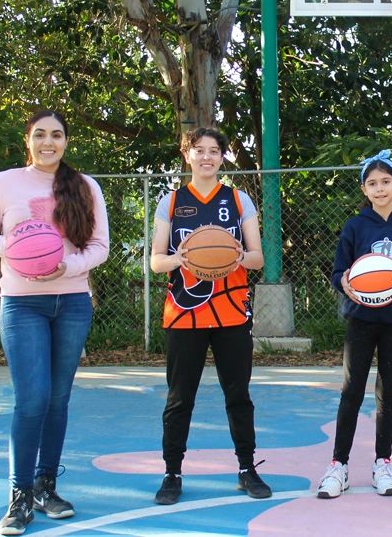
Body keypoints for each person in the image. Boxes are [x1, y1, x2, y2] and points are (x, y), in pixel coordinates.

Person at [0, 110, 109, 536]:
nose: (49, 142)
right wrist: (18, 245)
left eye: (58, 135)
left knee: (58, 399)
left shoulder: (85, 187)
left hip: (71, 302)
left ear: (66, 141)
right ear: (27, 139)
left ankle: (47, 485)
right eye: (41, 135)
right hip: (22, 305)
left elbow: (99, 246)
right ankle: (20, 495)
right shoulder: (4, 183)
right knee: (32, 400)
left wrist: (63, 265)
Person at [149, 126, 271, 505]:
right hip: (185, 313)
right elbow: (156, 262)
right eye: (199, 150)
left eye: (214, 151)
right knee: (180, 397)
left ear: (222, 157)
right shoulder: (170, 202)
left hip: (231, 310)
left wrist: (233, 256)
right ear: (187, 155)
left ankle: (247, 468)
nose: (206, 157)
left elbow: (257, 258)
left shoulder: (237, 200)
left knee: (238, 394)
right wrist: (181, 258)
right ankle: (172, 472)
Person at [316, 150, 392, 499]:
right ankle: (338, 465)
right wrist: (346, 284)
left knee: (388, 390)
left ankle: (383, 462)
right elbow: (339, 272)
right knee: (351, 390)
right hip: (361, 319)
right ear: (364, 189)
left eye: (386, 181)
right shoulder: (355, 227)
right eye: (373, 183)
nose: (380, 188)